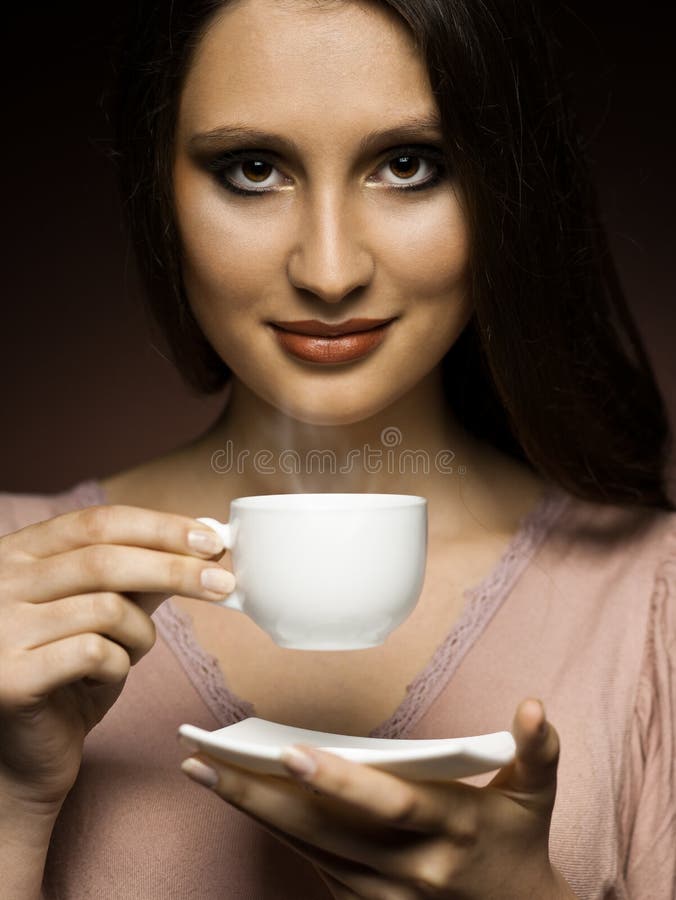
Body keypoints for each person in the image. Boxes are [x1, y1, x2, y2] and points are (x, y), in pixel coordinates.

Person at [0, 0, 674, 897]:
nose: (328, 270)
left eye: (408, 165)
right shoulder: (13, 587)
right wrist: (10, 799)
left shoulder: (652, 605)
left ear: (505, 186)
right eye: (252, 168)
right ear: (156, 190)